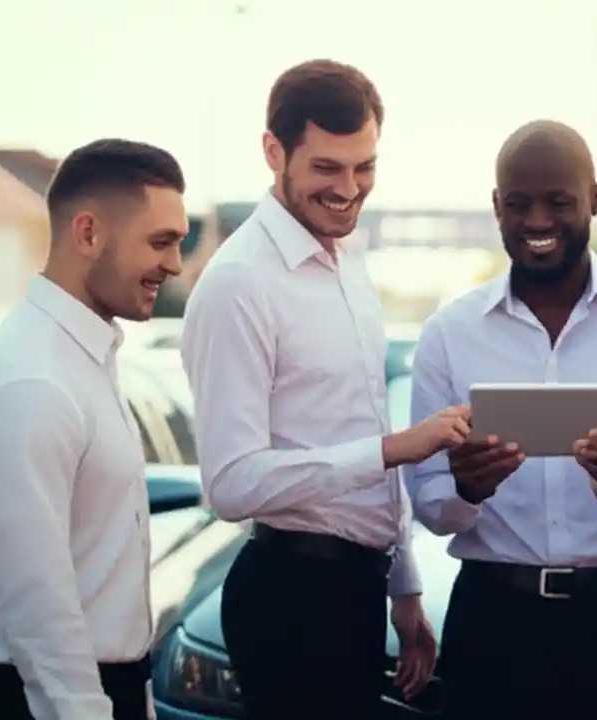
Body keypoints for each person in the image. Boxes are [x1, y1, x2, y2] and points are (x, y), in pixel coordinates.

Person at [179, 59, 469, 720]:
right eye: (327, 169)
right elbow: (231, 483)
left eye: (364, 166)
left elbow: (351, 430)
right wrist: (394, 448)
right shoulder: (239, 285)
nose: (349, 189)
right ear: (273, 152)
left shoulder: (347, 265)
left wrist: (406, 590)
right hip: (290, 599)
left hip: (355, 594)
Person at [405, 119, 597, 720]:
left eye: (559, 202)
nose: (537, 221)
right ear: (496, 207)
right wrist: (465, 489)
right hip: (491, 623)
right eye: (518, 204)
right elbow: (429, 506)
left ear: (595, 198)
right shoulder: (450, 332)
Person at [0, 139, 188, 720]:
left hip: (99, 692)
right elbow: (38, 603)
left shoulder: (81, 358)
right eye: (161, 242)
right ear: (87, 234)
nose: (176, 264)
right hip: (45, 703)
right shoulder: (31, 379)